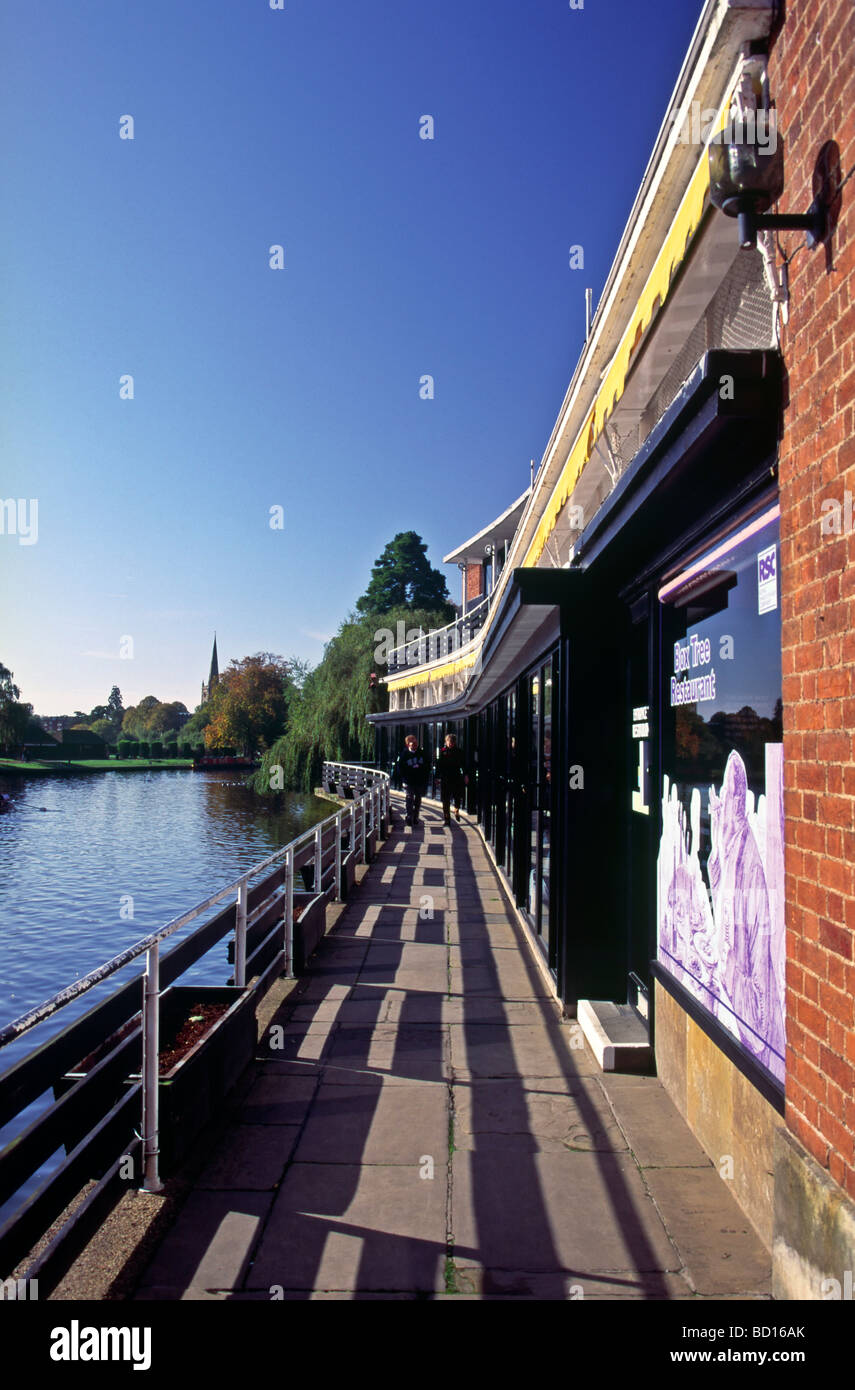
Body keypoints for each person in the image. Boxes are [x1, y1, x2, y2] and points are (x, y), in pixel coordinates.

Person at [392, 734, 429, 827]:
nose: (414, 746)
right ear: (408, 744)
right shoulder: (403, 755)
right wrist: (405, 777)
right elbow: (400, 768)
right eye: (412, 744)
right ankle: (409, 816)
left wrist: (421, 770)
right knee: (409, 798)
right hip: (408, 781)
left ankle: (416, 816)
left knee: (418, 799)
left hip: (419, 781)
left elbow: (427, 766)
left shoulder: (422, 754)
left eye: (416, 744)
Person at [435, 732, 467, 825]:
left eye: (452, 742)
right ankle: (447, 819)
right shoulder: (442, 751)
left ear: (455, 742)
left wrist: (465, 775)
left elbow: (464, 765)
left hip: (456, 778)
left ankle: (456, 809)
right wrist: (437, 777)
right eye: (449, 742)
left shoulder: (459, 752)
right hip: (445, 779)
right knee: (445, 800)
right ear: (446, 741)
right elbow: (438, 765)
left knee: (457, 797)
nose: (450, 743)